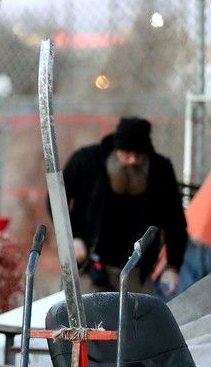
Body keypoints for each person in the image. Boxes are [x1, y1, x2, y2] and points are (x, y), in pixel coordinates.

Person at [62, 116, 187, 295]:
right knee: (89, 320)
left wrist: (173, 267)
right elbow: (57, 199)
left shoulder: (160, 169)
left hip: (138, 272)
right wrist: (72, 237)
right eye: (126, 154)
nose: (132, 160)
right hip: (92, 267)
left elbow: (175, 221)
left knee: (143, 319)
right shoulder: (87, 161)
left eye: (138, 155)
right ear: (116, 149)